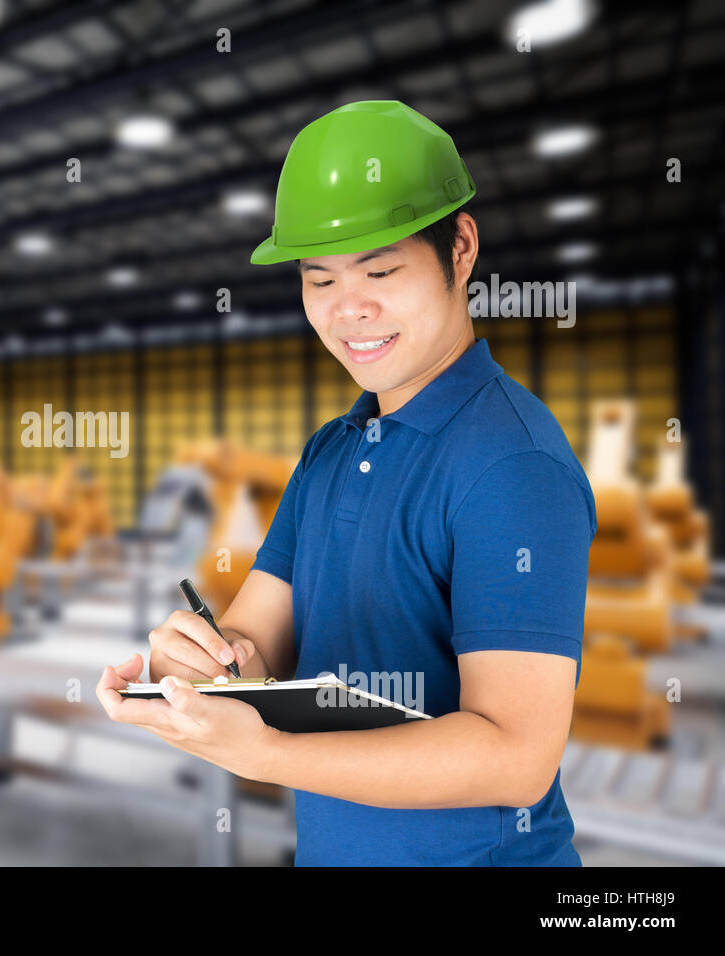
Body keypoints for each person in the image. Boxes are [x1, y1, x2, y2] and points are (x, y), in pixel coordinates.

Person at [96, 100, 595, 866]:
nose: (348, 310)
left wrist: (262, 755)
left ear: (460, 249)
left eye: (381, 270)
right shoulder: (330, 451)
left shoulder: (513, 465)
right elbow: (256, 645)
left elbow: (515, 758)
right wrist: (191, 667)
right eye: (318, 278)